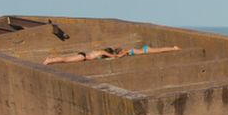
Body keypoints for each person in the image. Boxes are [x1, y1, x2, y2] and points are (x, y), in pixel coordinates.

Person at [42, 44, 182, 65]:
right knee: (66, 60)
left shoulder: (126, 51)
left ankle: (50, 59)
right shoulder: (101, 52)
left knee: (66, 60)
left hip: (84, 56)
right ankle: (50, 60)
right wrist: (114, 57)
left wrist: (115, 56)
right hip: (83, 56)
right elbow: (104, 53)